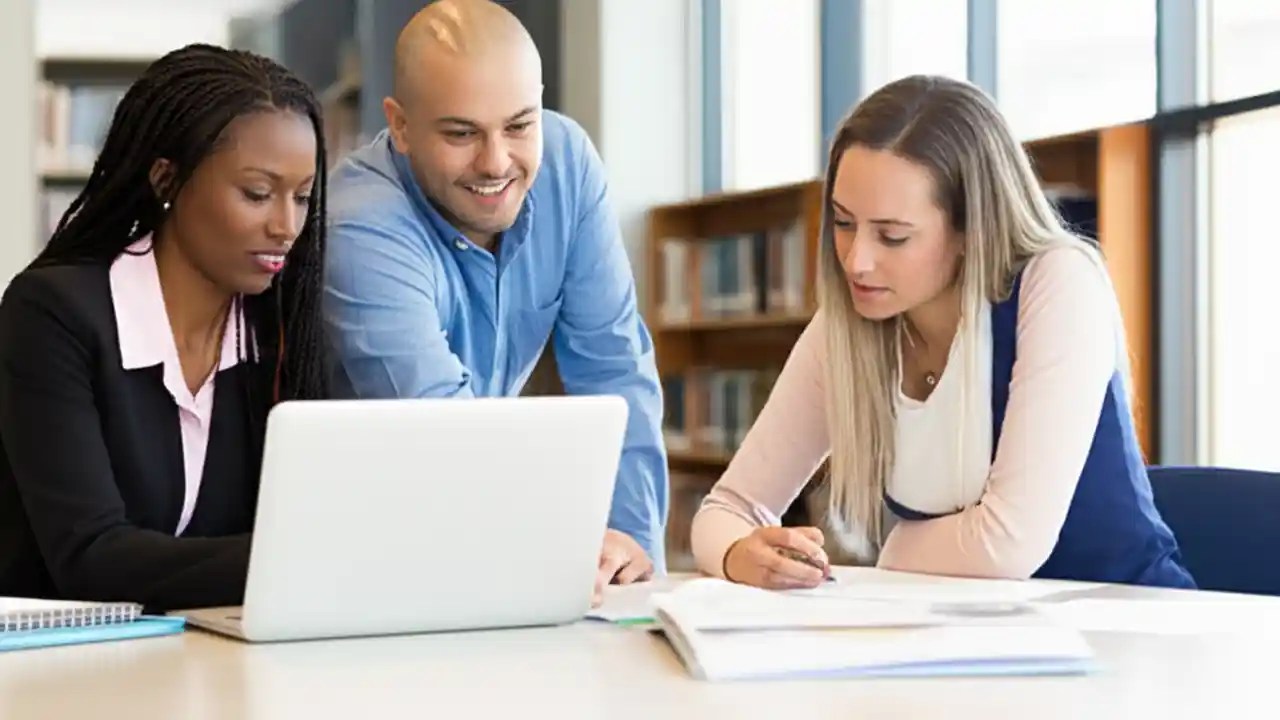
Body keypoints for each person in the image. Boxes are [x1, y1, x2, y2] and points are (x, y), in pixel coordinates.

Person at [690, 75, 1196, 591]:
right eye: (843, 223)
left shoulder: (1057, 282)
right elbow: (727, 508)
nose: (857, 261)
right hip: (962, 636)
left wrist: (896, 547)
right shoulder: (849, 325)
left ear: (970, 229)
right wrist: (738, 553)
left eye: (893, 236)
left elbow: (1008, 545)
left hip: (1123, 629)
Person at [323, 0, 668, 602]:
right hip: (374, 556)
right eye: (461, 133)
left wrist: (632, 553)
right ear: (400, 126)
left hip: (496, 536)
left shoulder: (567, 163)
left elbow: (613, 368)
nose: (496, 162)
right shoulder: (360, 224)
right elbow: (444, 433)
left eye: (519, 125)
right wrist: (560, 557)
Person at [0, 44, 329, 610]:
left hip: (201, 664)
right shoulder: (53, 317)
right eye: (257, 194)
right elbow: (91, 559)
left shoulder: (276, 336)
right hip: (47, 673)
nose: (286, 226)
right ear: (165, 180)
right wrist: (303, 557)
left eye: (302, 197)